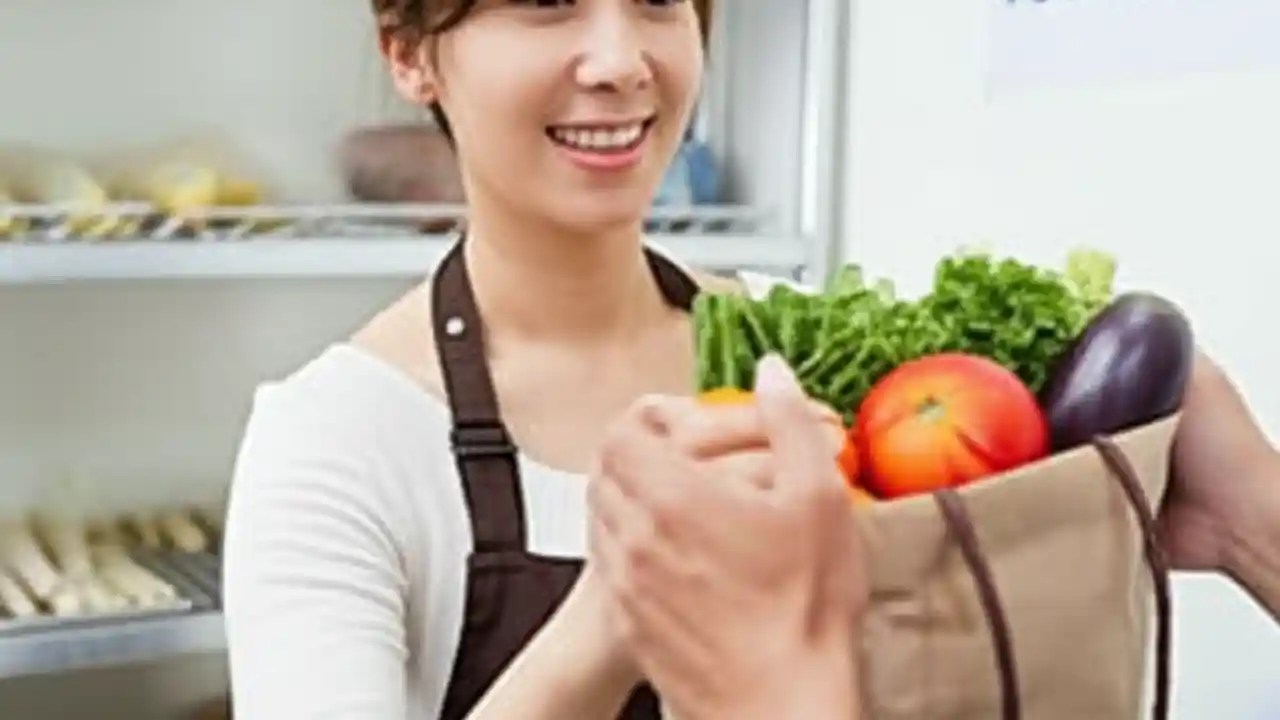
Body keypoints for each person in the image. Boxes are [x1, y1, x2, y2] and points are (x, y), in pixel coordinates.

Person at [222, 1, 852, 718]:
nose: (619, 61)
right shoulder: (335, 439)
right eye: (548, 3)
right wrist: (606, 625)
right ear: (408, 52)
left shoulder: (805, 351)